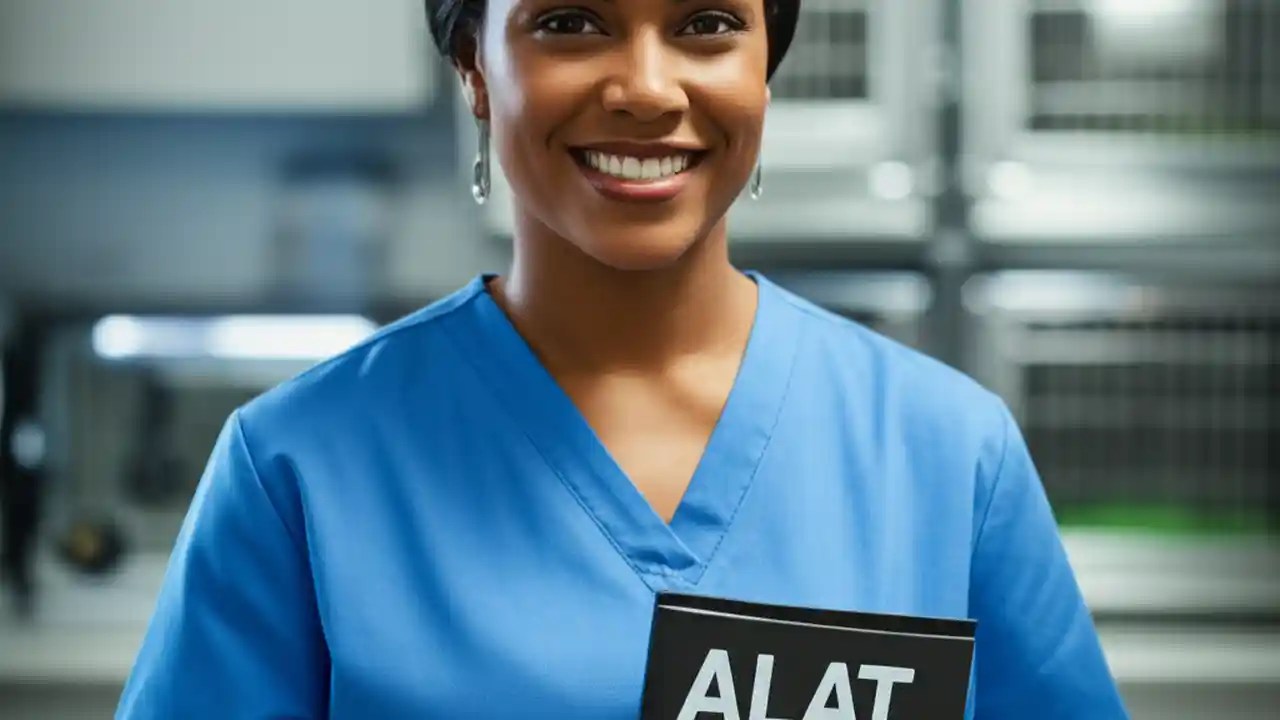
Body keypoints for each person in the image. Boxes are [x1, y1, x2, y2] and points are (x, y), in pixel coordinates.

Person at [117, 1, 1129, 717]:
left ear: (764, 58)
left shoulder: (947, 456)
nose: (646, 89)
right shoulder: (298, 466)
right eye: (569, 22)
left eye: (705, 25)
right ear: (473, 62)